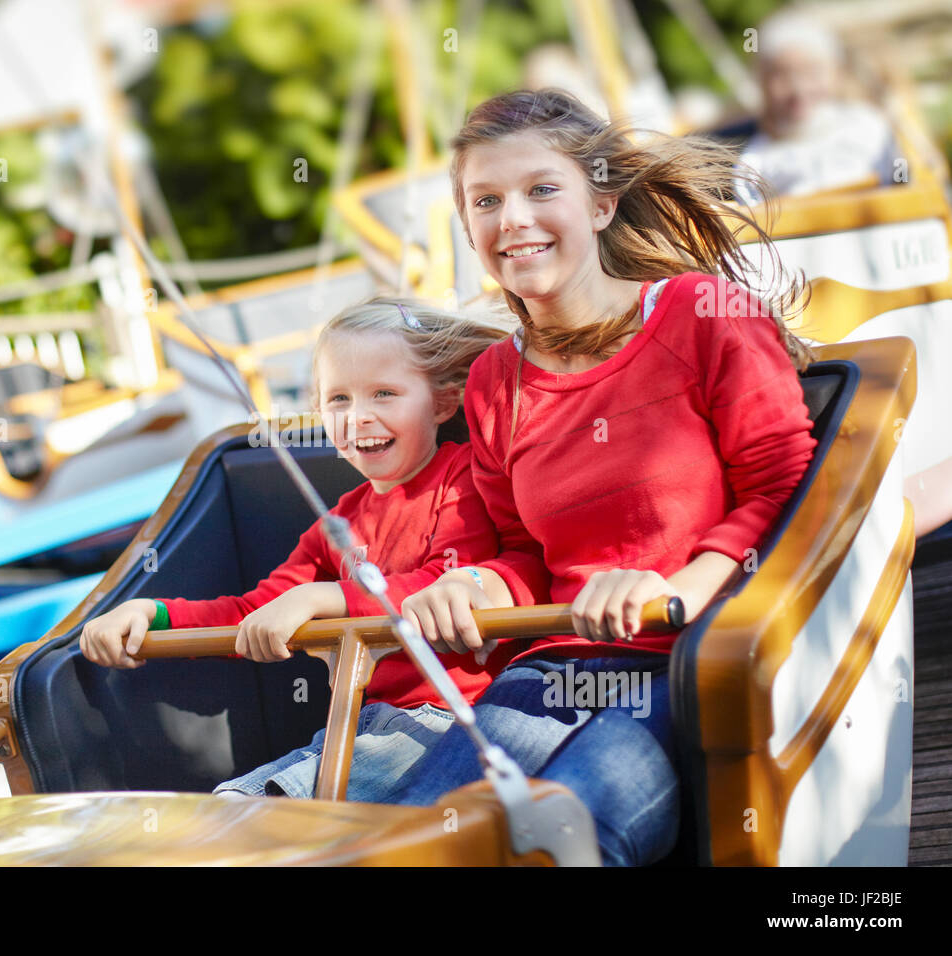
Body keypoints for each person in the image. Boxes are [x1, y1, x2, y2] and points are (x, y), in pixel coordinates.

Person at [385, 88, 818, 866]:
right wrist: (475, 586)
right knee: (414, 843)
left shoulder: (703, 311)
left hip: (687, 668)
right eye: (486, 201)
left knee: (561, 841)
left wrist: (675, 586)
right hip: (542, 675)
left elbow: (784, 489)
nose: (512, 218)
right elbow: (522, 552)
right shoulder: (492, 380)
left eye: (542, 189)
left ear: (602, 204)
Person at [79, 296, 549, 801]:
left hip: (446, 720)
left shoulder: (462, 479)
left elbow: (443, 585)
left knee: (253, 809)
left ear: (440, 402)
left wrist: (324, 600)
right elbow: (252, 611)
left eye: (384, 394)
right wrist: (153, 614)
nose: (357, 417)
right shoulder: (338, 523)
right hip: (363, 723)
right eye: (338, 400)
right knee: (229, 807)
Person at [734, 11, 901, 206]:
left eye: (811, 72)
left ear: (836, 73)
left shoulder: (871, 128)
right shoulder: (753, 165)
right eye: (781, 76)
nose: (799, 90)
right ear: (762, 83)